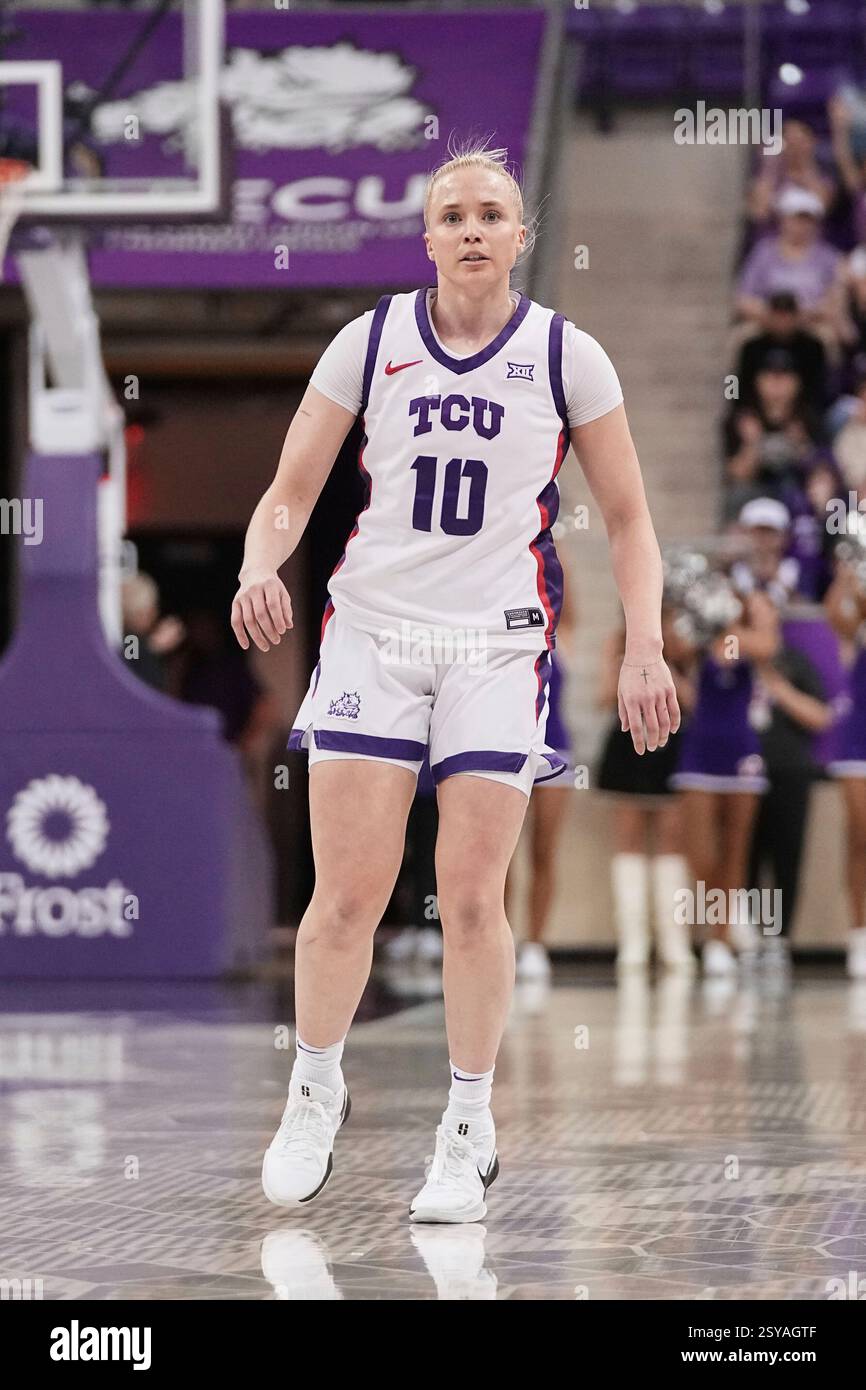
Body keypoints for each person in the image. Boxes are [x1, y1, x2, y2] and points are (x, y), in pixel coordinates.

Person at [232, 138, 678, 1224]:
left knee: (472, 893)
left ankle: (467, 1123)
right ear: (426, 237)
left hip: (494, 642)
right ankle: (314, 1087)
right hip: (374, 634)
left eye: (490, 212)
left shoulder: (568, 355)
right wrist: (256, 558)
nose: (471, 228)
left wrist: (645, 642)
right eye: (451, 214)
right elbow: (293, 486)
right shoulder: (368, 338)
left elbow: (627, 518)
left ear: (521, 236)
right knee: (346, 895)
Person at [670, 590, 780, 976]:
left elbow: (764, 646)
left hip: (741, 754)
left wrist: (731, 622)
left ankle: (719, 939)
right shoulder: (700, 635)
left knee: (735, 850)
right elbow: (677, 645)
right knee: (700, 852)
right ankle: (723, 918)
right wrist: (701, 618)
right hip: (700, 753)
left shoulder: (749, 640)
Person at [596, 606, 696, 972]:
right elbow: (603, 698)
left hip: (672, 744)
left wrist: (664, 662)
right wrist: (619, 663)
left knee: (673, 844)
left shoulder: (682, 647)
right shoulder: (616, 642)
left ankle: (674, 940)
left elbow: (694, 701)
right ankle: (633, 942)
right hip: (628, 742)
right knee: (629, 842)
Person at [505, 566, 578, 983]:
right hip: (512, 747)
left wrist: (554, 536)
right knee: (502, 855)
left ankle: (535, 942)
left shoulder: (561, 632)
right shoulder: (506, 627)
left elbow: (568, 591)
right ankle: (503, 938)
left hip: (555, 751)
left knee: (543, 852)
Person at [825, 553, 866, 978]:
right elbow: (839, 618)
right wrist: (846, 572)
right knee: (859, 834)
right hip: (859, 732)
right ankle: (859, 932)